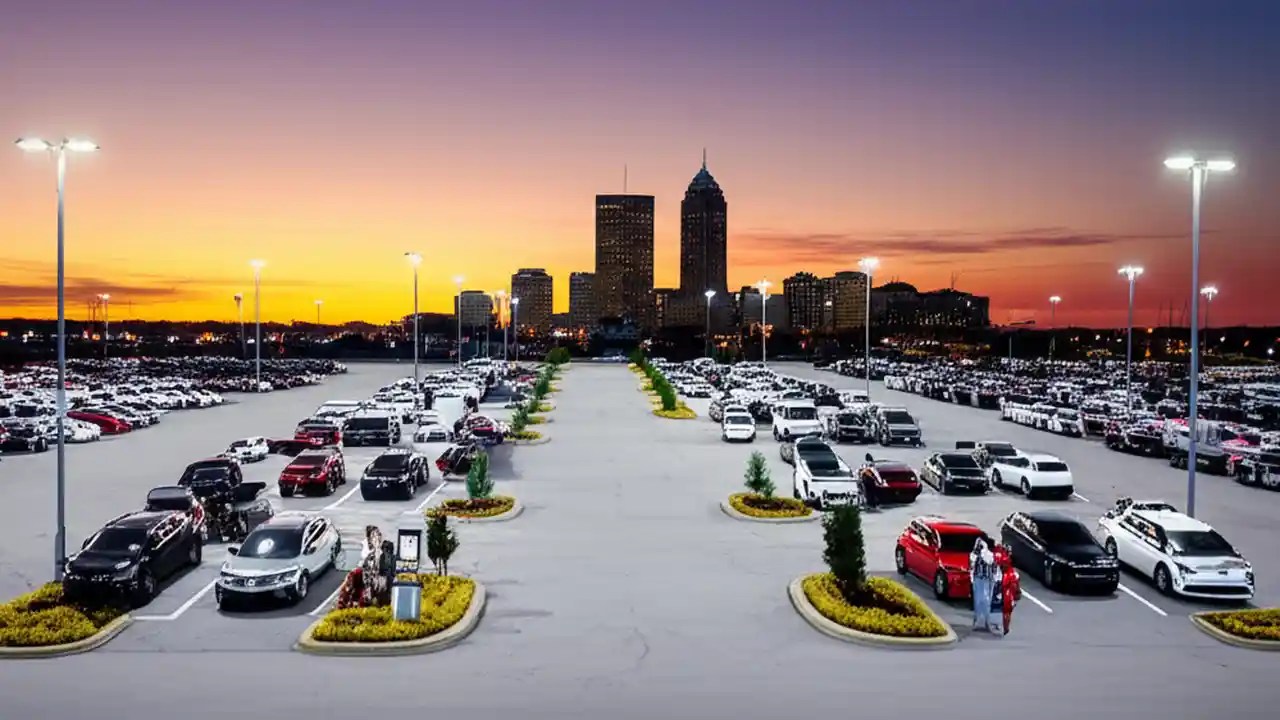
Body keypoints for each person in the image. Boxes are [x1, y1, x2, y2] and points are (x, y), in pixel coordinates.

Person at [969, 538, 996, 631]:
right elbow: (972, 564)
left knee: (987, 601)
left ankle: (987, 622)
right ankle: (977, 621)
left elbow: (990, 562)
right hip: (979, 579)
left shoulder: (989, 554)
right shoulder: (975, 555)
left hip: (988, 580)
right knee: (979, 601)